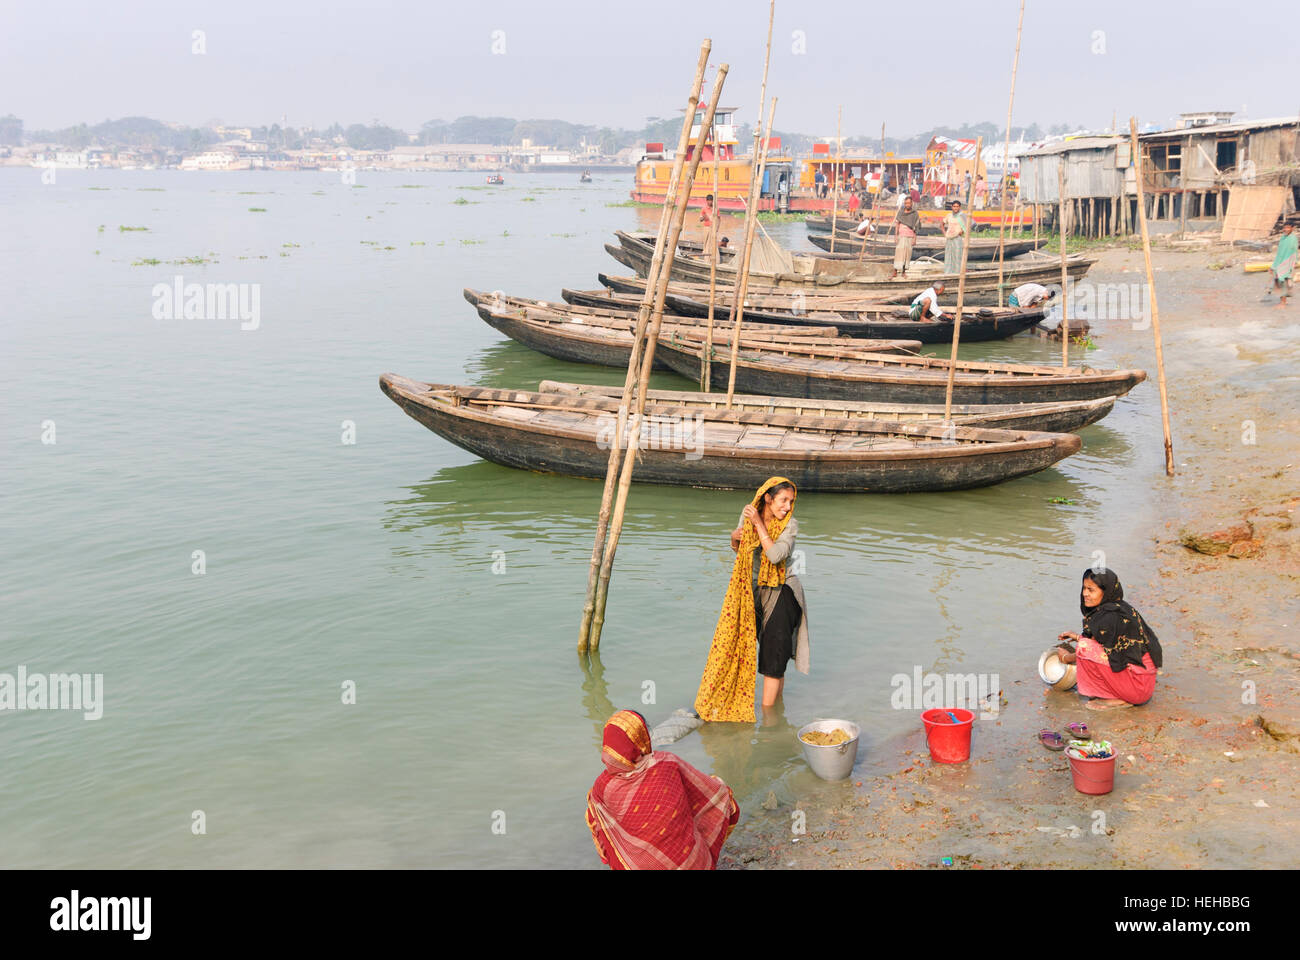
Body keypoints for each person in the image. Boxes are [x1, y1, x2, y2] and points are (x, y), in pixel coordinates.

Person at [695, 477, 810, 722]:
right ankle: (775, 712)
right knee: (750, 649)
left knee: (773, 657)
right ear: (767, 499)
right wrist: (734, 537)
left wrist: (758, 524)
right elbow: (740, 550)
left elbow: (776, 555)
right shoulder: (748, 515)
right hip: (752, 591)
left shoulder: (791, 525)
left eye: (791, 501)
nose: (788, 507)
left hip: (782, 591)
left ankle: (770, 723)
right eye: (783, 500)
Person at [585, 709, 740, 870]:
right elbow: (710, 793)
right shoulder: (665, 763)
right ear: (641, 738)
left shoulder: (601, 788)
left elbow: (599, 831)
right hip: (691, 863)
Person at [1056, 568, 1163, 710]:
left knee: (1084, 648)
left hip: (1137, 688)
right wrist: (1076, 636)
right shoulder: (1120, 608)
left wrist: (1065, 658)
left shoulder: (1109, 617)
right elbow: (1104, 643)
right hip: (1144, 683)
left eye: (1091, 590)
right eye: (1084, 588)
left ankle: (1116, 698)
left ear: (1105, 592)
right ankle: (1117, 693)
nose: (1085, 594)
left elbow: (1089, 648)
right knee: (1086, 645)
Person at [892, 196, 922, 278]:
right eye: (906, 203)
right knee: (898, 253)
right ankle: (895, 271)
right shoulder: (901, 212)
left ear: (912, 203)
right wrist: (895, 236)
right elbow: (897, 224)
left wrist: (915, 239)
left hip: (910, 236)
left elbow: (916, 227)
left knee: (907, 255)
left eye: (909, 203)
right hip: (901, 235)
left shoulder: (914, 213)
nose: (907, 205)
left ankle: (903, 272)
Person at [1270, 221, 1296, 307]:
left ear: (1292, 228)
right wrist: (1274, 265)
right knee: (1278, 281)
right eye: (1285, 227)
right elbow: (1280, 252)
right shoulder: (1283, 237)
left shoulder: (1293, 239)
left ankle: (1283, 302)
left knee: (1283, 281)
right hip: (1280, 262)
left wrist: (1290, 265)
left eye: (1288, 227)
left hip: (1287, 263)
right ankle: (1283, 300)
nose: (1286, 229)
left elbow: (1292, 252)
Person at [943, 199, 968, 274]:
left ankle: (957, 273)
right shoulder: (949, 215)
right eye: (954, 206)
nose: (955, 208)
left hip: (957, 238)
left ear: (959, 207)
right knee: (948, 256)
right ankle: (948, 273)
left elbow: (966, 227)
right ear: (952, 207)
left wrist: (962, 231)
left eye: (957, 206)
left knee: (957, 256)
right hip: (949, 238)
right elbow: (941, 224)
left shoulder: (962, 216)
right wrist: (945, 233)